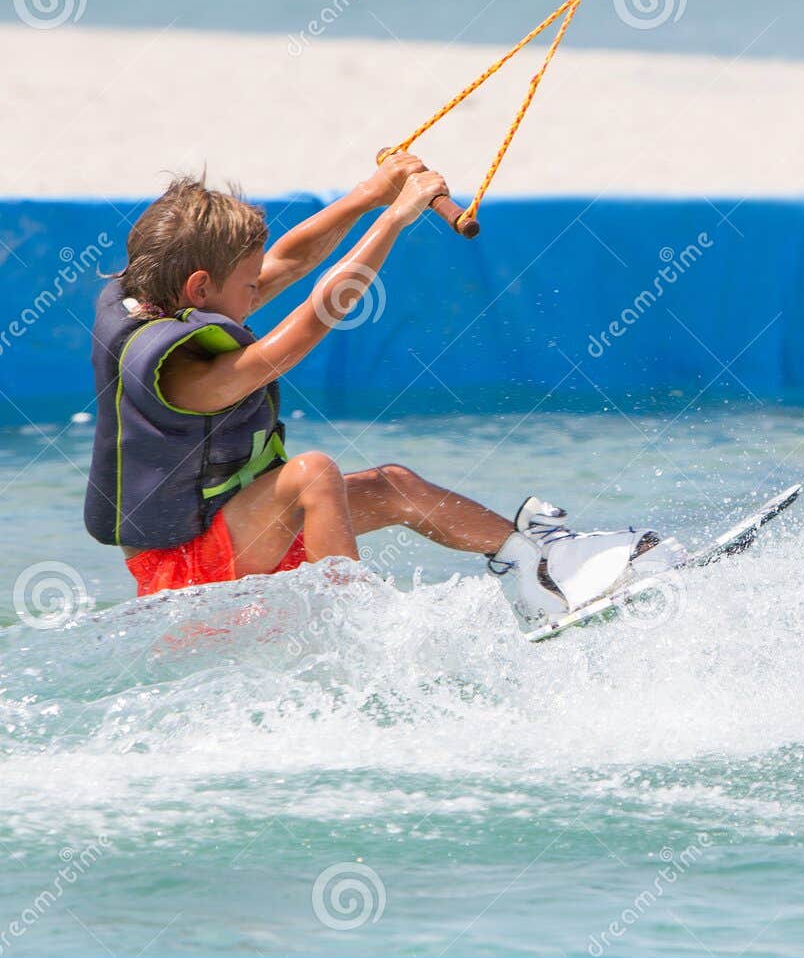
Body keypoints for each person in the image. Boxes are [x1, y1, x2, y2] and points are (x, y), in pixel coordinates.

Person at [82, 158, 681, 623]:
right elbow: (302, 330)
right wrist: (394, 221)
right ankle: (352, 631)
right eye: (247, 282)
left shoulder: (163, 294)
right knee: (313, 474)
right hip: (185, 568)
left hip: (232, 532)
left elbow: (289, 261)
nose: (257, 290)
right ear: (200, 286)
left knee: (395, 486)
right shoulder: (177, 370)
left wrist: (373, 191)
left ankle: (540, 568)